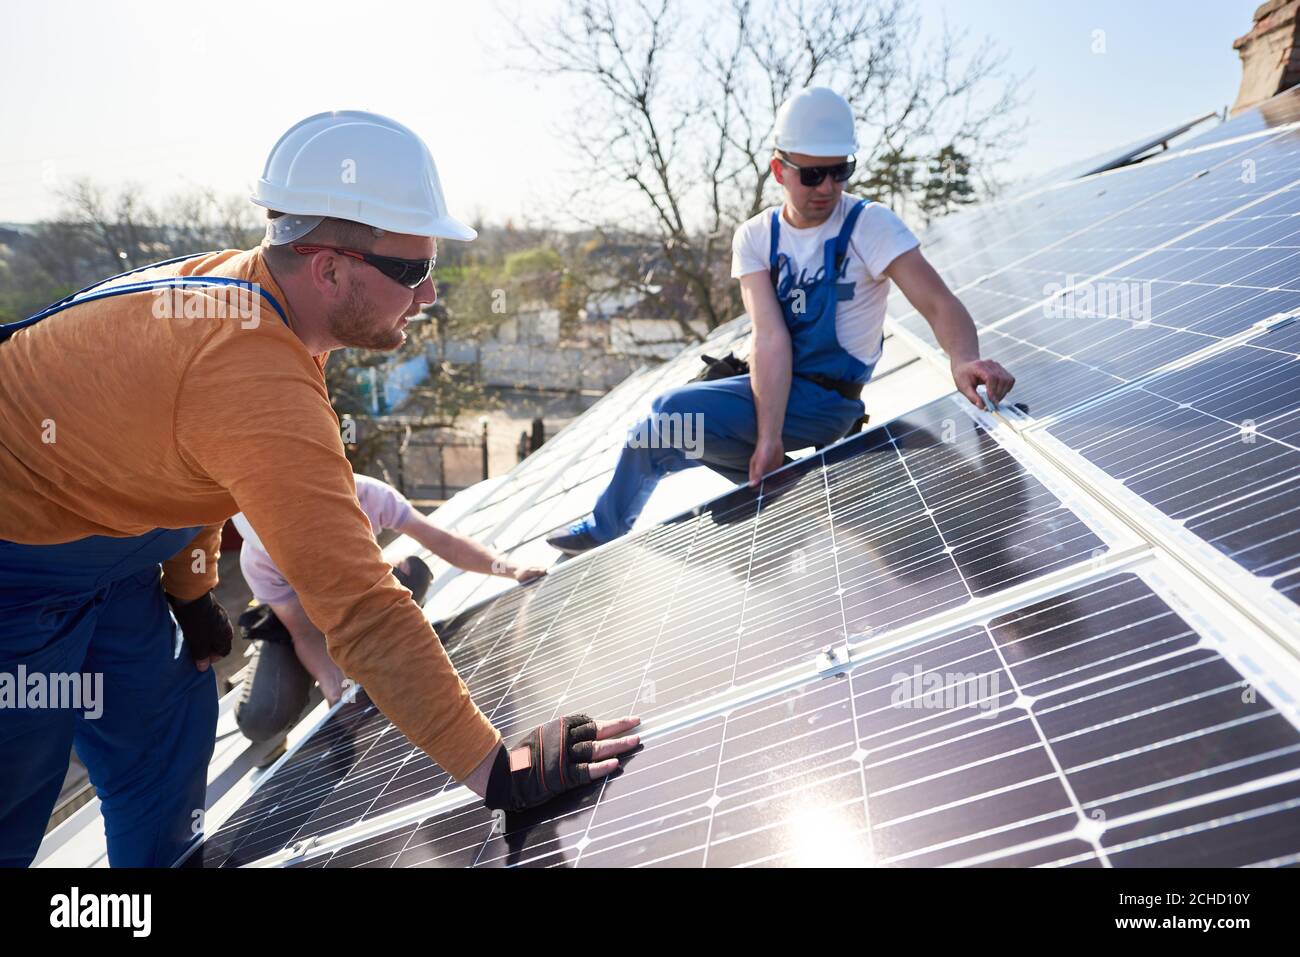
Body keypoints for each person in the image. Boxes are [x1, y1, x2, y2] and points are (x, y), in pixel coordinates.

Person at [0, 111, 638, 868]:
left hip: (113, 543)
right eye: (411, 270)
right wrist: (496, 768)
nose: (430, 292)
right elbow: (359, 606)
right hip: (19, 557)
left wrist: (192, 586)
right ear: (329, 267)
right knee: (18, 784)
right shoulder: (252, 372)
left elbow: (187, 457)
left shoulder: (260, 300)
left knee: (166, 740)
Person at [547, 87, 1015, 555]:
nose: (828, 187)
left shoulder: (870, 225)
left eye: (840, 171)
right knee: (655, 437)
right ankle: (619, 525)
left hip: (827, 404)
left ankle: (789, 492)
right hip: (773, 387)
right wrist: (768, 438)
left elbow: (937, 302)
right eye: (812, 175)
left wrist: (963, 358)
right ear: (779, 171)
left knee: (670, 411)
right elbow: (770, 338)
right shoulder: (755, 237)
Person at [233, 472, 547, 742]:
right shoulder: (258, 558)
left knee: (412, 573)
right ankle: (296, 674)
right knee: (261, 718)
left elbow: (444, 542)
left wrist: (510, 568)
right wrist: (335, 690)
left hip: (349, 599)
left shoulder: (364, 495)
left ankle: (361, 649)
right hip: (292, 623)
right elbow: (304, 633)